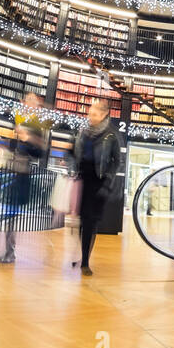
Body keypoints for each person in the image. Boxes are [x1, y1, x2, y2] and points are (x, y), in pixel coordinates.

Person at [70, 97, 122, 277]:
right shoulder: (83, 131)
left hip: (99, 182)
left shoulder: (111, 135)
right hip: (82, 180)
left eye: (93, 114)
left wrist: (108, 179)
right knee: (81, 221)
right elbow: (76, 153)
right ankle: (83, 255)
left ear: (103, 114)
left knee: (90, 222)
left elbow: (117, 162)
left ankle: (85, 261)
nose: (90, 116)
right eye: (89, 113)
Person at [0, 91, 51, 264]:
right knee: (9, 214)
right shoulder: (20, 120)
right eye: (26, 100)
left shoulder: (37, 126)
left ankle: (10, 251)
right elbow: (16, 145)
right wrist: (7, 149)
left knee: (11, 214)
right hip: (12, 172)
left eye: (31, 101)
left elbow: (40, 152)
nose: (27, 103)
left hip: (22, 175)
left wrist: (27, 138)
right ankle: (8, 250)